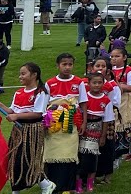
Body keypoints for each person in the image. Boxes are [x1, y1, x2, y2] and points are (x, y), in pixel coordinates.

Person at [6, 62, 53, 194]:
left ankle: (45, 184)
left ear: (34, 75)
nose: (20, 77)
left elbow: (38, 113)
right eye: (20, 74)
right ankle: (16, 190)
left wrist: (16, 116)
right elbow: (11, 110)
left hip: (32, 129)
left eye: (23, 73)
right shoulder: (19, 92)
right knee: (15, 159)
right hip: (18, 130)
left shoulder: (41, 92)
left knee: (28, 159)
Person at [43, 54, 83, 194]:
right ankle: (53, 184)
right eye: (64, 64)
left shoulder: (78, 82)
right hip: (54, 126)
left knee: (70, 155)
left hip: (71, 126)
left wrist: (83, 124)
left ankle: (69, 186)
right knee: (52, 155)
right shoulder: (49, 83)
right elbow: (45, 104)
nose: (67, 67)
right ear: (57, 65)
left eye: (70, 64)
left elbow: (83, 103)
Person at [78, 69, 114, 192]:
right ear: (89, 83)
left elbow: (106, 120)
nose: (97, 85)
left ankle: (90, 184)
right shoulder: (85, 99)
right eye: (94, 83)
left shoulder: (106, 100)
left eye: (100, 83)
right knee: (81, 158)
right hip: (84, 129)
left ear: (103, 83)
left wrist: (103, 136)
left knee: (93, 158)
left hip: (96, 131)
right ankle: (79, 184)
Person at [109, 46, 131, 161]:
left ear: (125, 57)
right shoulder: (109, 69)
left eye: (117, 56)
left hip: (125, 102)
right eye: (112, 56)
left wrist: (117, 85)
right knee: (115, 129)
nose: (114, 59)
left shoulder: (129, 70)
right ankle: (122, 154)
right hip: (113, 101)